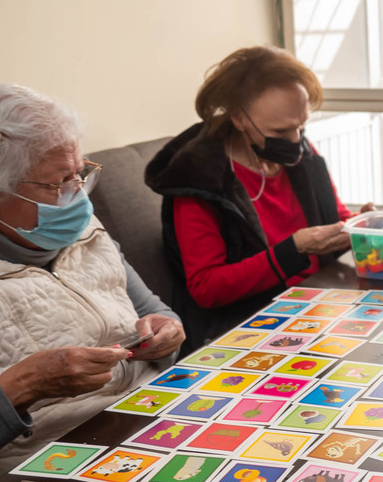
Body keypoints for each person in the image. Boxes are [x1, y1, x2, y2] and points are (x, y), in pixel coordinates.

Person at [0, 84, 185, 482]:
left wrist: (167, 333)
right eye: (59, 183)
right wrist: (23, 387)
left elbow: (156, 314)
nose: (79, 197)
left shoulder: (77, 228)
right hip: (48, 473)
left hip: (148, 418)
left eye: (80, 174)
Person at [146, 46, 371, 349]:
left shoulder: (298, 151)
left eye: (301, 126)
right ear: (239, 118)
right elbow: (206, 288)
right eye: (280, 131)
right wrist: (294, 250)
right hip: (255, 322)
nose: (296, 140)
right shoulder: (200, 178)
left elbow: (336, 218)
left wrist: (362, 225)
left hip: (322, 301)